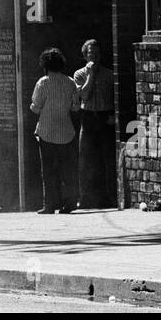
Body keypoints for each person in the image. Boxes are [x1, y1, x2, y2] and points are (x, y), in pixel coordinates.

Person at [30, 47, 80, 214]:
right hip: (67, 131)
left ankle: (50, 204)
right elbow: (75, 107)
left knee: (49, 171)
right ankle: (70, 202)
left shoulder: (42, 83)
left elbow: (36, 108)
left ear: (45, 65)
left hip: (46, 131)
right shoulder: (71, 82)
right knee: (68, 169)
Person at [73, 39, 115, 208]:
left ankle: (110, 196)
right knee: (86, 159)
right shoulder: (79, 74)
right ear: (85, 56)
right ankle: (85, 198)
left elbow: (114, 97)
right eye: (91, 54)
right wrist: (90, 75)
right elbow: (83, 96)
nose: (94, 57)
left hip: (105, 117)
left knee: (107, 158)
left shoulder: (109, 74)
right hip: (88, 117)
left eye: (97, 54)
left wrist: (113, 116)